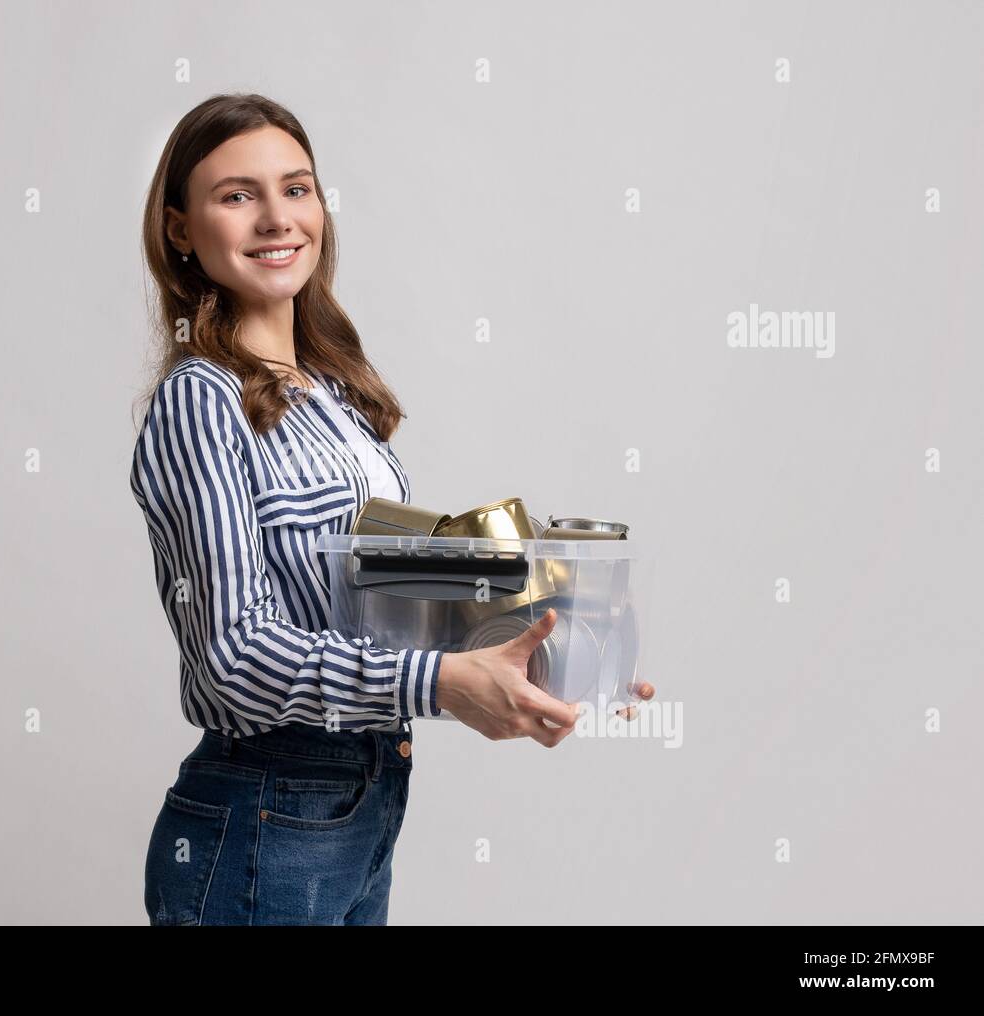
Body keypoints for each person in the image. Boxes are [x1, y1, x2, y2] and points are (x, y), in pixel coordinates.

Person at [130, 93, 654, 925]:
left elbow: (370, 607)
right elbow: (233, 658)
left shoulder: (334, 395)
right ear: (181, 231)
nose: (277, 218)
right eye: (238, 196)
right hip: (264, 815)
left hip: (358, 806)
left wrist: (548, 645)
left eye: (297, 189)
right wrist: (446, 683)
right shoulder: (202, 400)